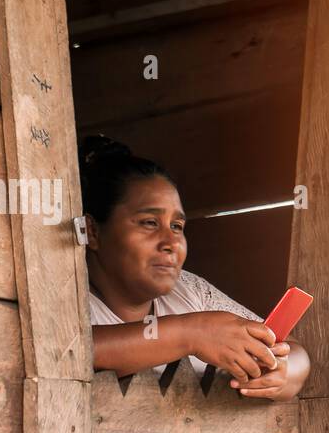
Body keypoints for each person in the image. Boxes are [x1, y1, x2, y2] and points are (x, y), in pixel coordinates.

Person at [79, 135, 309, 400]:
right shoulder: (71, 297)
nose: (171, 242)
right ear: (93, 232)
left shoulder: (192, 293)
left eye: (177, 226)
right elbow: (73, 350)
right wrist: (192, 334)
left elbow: (293, 349)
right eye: (149, 223)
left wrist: (285, 372)